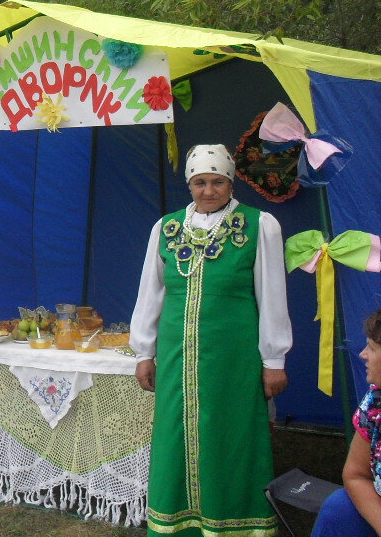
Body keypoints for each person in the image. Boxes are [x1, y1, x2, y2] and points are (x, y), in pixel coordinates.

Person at [130, 143, 292, 536]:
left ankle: (233, 524)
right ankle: (177, 525)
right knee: (174, 434)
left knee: (231, 434)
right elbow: (150, 293)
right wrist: (143, 351)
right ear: (189, 184)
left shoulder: (258, 225)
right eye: (200, 182)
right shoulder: (166, 228)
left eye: (216, 182)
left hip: (232, 358)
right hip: (176, 357)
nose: (208, 190)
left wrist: (274, 360)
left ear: (230, 182)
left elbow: (271, 295)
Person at [312, 310, 381, 537]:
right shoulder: (374, 402)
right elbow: (355, 474)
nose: (362, 354)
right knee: (339, 508)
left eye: (371, 348)